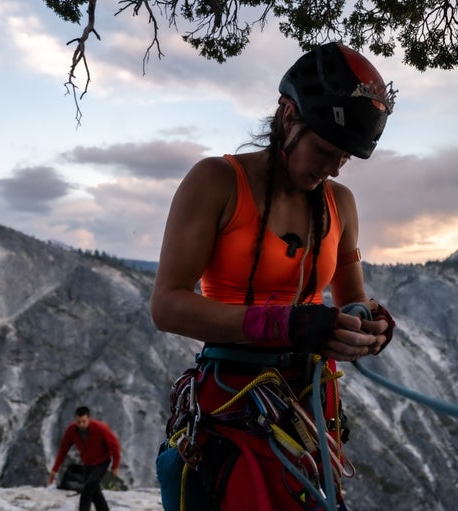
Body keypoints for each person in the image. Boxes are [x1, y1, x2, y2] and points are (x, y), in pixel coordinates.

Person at [151, 41, 397, 511]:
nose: (333, 167)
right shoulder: (217, 182)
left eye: (344, 157)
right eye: (325, 149)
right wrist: (286, 324)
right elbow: (167, 304)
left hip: (308, 409)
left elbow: (353, 300)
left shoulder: (339, 204)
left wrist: (370, 323)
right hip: (235, 405)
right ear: (289, 114)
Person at [48, 406, 121, 511]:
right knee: (95, 493)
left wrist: (115, 466)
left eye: (84, 421)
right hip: (87, 464)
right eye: (78, 422)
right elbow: (63, 450)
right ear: (75, 420)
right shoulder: (71, 430)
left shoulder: (101, 428)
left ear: (89, 419)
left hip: (102, 462)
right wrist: (54, 470)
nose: (81, 424)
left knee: (86, 492)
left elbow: (115, 447)